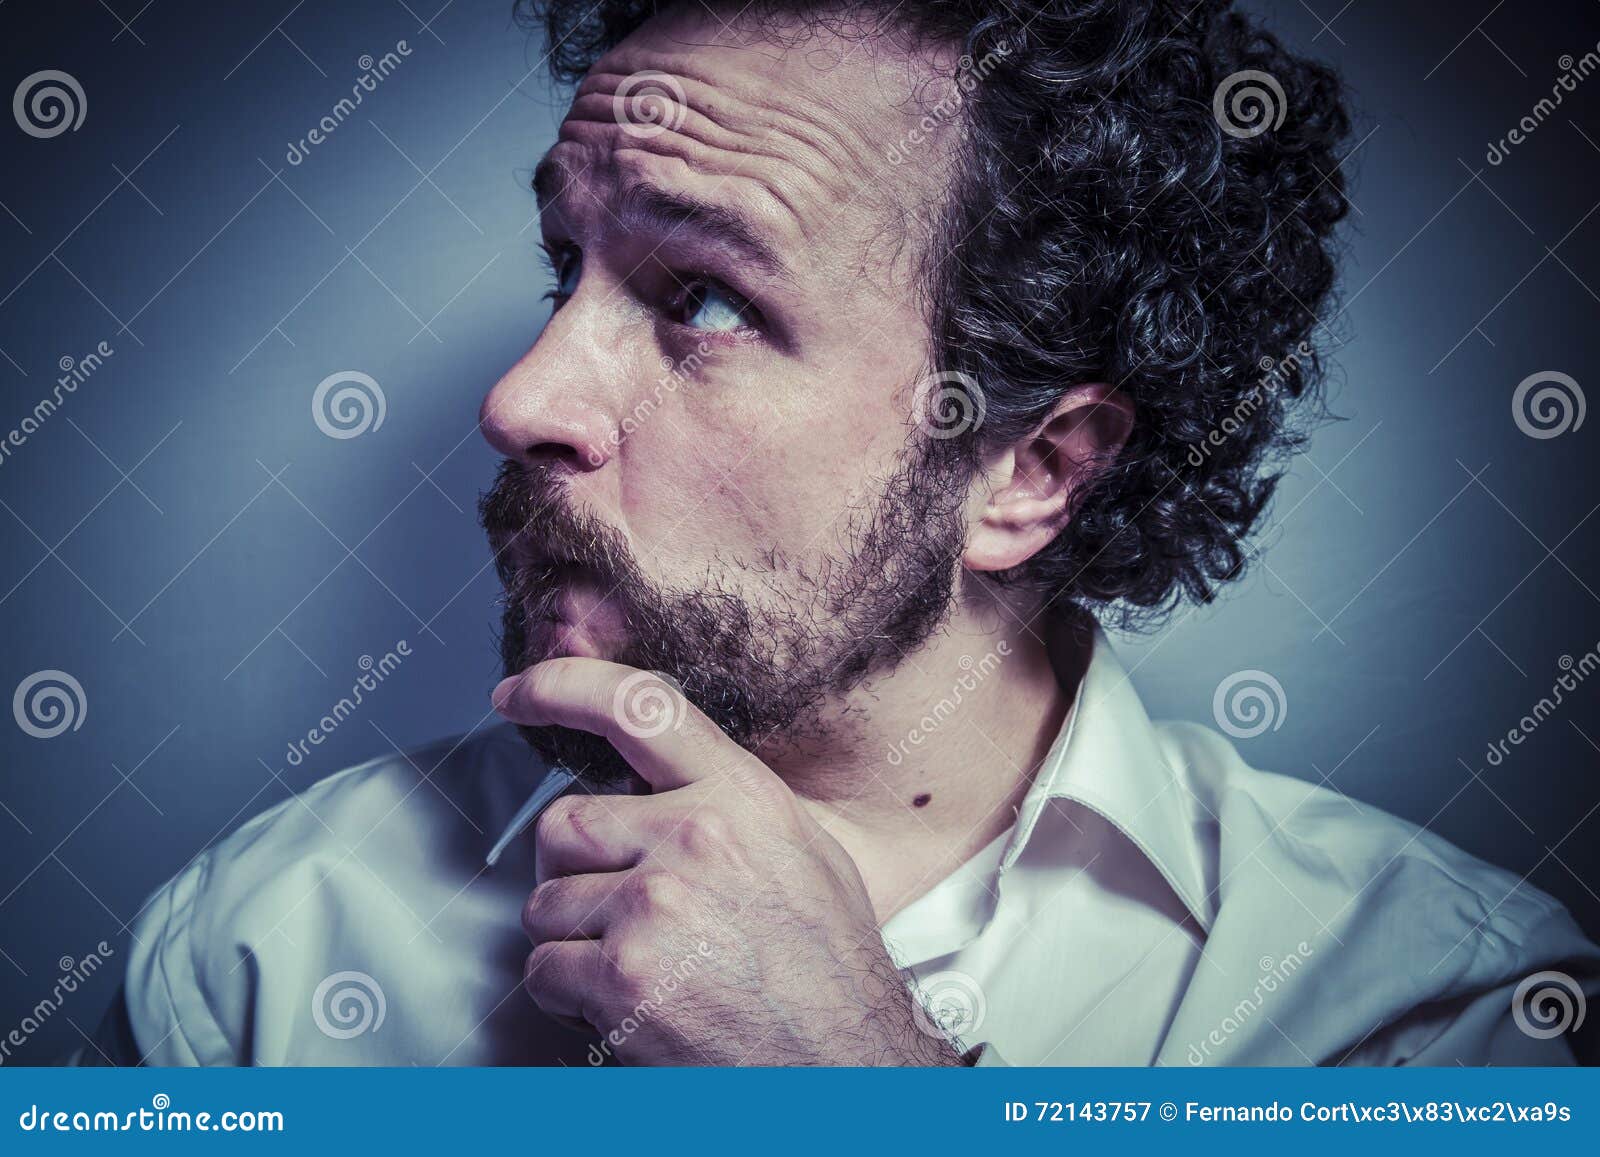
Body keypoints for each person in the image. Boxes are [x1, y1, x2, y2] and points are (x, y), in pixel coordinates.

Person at [88, 0, 1598, 1066]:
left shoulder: (1427, 1013)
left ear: (1028, 469)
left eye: (708, 298)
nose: (521, 395)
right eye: (568, 267)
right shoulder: (260, 955)